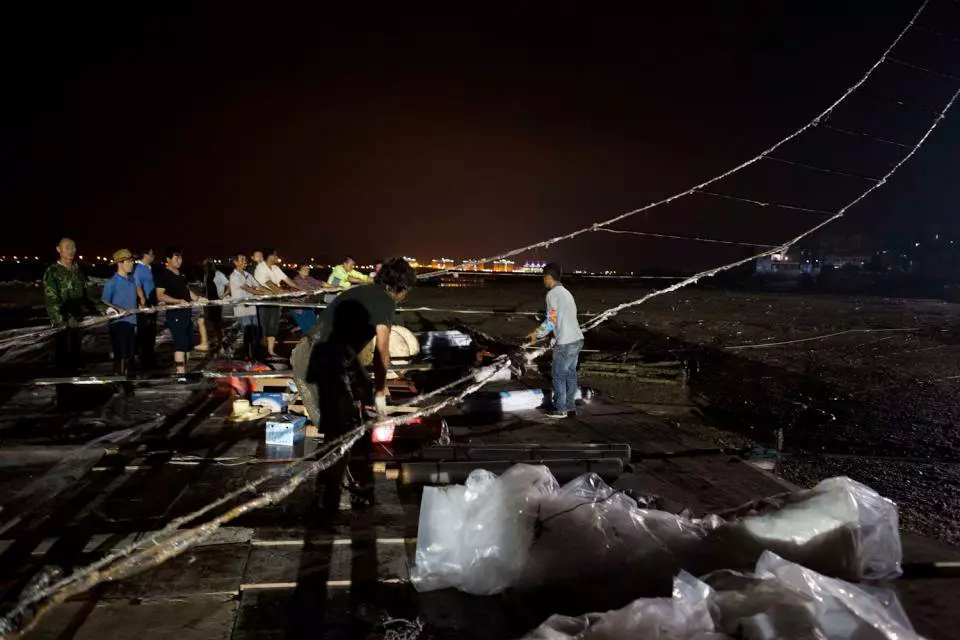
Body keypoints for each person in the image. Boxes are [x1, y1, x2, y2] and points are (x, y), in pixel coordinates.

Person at [292, 257, 416, 510]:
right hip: (323, 359)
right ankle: (331, 497)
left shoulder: (362, 291)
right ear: (401, 288)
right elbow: (383, 350)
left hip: (310, 354)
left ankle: (336, 487)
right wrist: (380, 391)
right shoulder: (385, 300)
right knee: (343, 429)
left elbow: (351, 349)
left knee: (340, 426)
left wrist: (364, 387)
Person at [43, 238, 109, 408]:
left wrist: (102, 309)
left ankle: (72, 394)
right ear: (58, 249)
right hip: (63, 325)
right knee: (62, 361)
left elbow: (87, 295)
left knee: (74, 359)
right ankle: (63, 398)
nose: (71, 250)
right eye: (67, 247)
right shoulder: (53, 272)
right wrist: (59, 321)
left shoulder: (78, 271)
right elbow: (51, 299)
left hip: (76, 323)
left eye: (73, 247)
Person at [527, 262, 585, 419]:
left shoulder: (552, 294)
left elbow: (550, 322)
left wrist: (535, 335)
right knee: (570, 375)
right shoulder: (567, 292)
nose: (543, 281)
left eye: (543, 278)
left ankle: (560, 408)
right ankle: (571, 407)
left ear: (548, 277)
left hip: (566, 342)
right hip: (577, 339)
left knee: (559, 375)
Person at [155, 246, 206, 376]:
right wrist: (178, 301)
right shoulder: (164, 275)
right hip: (175, 314)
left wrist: (199, 298)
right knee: (180, 345)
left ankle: (184, 372)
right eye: (176, 258)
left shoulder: (181, 274)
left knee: (188, 345)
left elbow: (186, 291)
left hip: (186, 313)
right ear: (168, 259)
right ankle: (180, 375)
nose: (179, 260)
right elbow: (160, 295)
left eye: (180, 257)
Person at [254, 248, 302, 359]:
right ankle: (261, 351)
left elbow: (287, 279)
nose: (277, 258)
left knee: (273, 325)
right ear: (269, 256)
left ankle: (271, 351)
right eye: (275, 255)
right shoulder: (260, 268)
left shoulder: (275, 268)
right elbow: (269, 284)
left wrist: (301, 289)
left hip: (275, 299)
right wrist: (285, 292)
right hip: (264, 299)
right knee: (264, 326)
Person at [101, 249, 139, 383]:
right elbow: (104, 301)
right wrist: (118, 309)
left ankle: (127, 380)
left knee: (130, 353)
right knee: (121, 353)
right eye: (129, 261)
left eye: (132, 261)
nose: (132, 264)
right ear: (120, 263)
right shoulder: (112, 282)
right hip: (119, 323)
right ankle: (118, 381)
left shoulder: (132, 280)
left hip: (132, 322)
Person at [229, 253, 267, 360]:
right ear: (235, 262)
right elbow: (247, 288)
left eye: (245, 260)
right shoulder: (234, 276)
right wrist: (260, 293)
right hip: (242, 308)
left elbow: (257, 286)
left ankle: (254, 355)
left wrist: (270, 291)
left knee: (255, 332)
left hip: (251, 307)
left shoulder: (248, 274)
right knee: (247, 332)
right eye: (241, 260)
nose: (244, 262)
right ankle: (246, 355)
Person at [291, 265, 336, 334]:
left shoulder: (309, 278)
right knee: (308, 331)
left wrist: (338, 287)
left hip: (307, 305)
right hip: (297, 307)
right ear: (299, 271)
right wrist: (328, 289)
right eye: (305, 269)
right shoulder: (297, 280)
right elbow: (311, 289)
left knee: (315, 328)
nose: (307, 270)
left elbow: (322, 283)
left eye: (308, 269)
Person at [197, 258, 230, 352]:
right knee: (203, 321)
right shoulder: (206, 275)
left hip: (215, 303)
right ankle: (209, 343)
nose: (205, 268)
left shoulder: (219, 275)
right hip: (208, 302)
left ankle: (218, 345)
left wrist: (223, 295)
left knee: (215, 325)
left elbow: (229, 286)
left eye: (206, 266)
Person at [133, 246, 158, 369]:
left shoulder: (148, 268)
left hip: (153, 303)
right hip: (146, 305)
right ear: (145, 255)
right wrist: (144, 303)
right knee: (145, 333)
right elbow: (138, 287)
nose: (153, 256)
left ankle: (149, 356)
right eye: (151, 253)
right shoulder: (139, 269)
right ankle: (144, 361)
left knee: (152, 332)